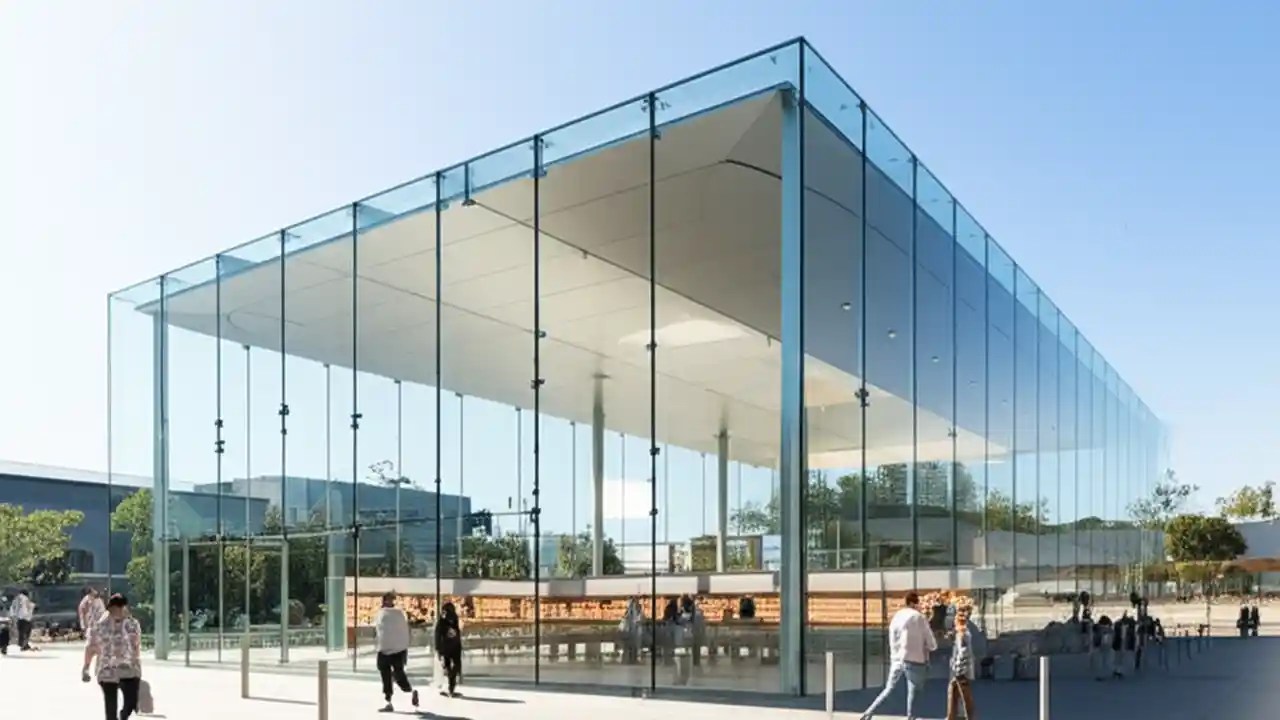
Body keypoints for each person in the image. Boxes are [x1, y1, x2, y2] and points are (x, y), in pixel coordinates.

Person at [858, 591, 937, 720]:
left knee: (889, 689)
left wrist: (896, 655)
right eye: (918, 603)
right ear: (913, 603)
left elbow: (893, 638)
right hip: (914, 659)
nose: (919, 606)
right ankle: (911, 717)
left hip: (897, 658)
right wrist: (931, 646)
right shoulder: (918, 617)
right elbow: (931, 642)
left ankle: (868, 713)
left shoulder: (897, 616)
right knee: (914, 691)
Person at [82, 594, 142, 720]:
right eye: (117, 608)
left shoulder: (132, 624)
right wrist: (86, 667)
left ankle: (124, 714)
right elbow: (91, 648)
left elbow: (136, 645)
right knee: (110, 710)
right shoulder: (99, 626)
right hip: (107, 670)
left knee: (131, 702)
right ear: (110, 608)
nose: (120, 611)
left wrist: (137, 666)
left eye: (122, 607)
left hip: (128, 670)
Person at [374, 592, 417, 712]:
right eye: (387, 599)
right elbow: (379, 630)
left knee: (398, 674)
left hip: (395, 650)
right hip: (386, 649)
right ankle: (388, 701)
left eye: (390, 599)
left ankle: (409, 691)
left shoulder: (397, 614)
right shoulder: (383, 613)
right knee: (387, 675)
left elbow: (399, 631)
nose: (388, 601)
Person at [946, 608, 977, 720]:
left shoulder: (963, 635)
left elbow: (963, 653)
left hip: (961, 671)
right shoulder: (961, 634)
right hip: (958, 670)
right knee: (952, 692)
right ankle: (951, 716)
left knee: (965, 697)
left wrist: (959, 669)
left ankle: (969, 717)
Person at [434, 601, 463, 697]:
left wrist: (438, 649)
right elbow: (439, 635)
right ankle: (450, 689)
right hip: (449, 648)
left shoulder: (452, 620)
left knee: (450, 668)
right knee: (451, 668)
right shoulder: (445, 620)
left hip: (450, 648)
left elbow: (438, 635)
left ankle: (450, 689)